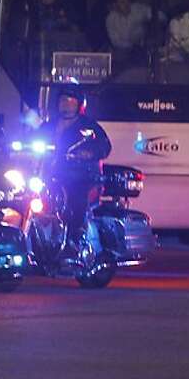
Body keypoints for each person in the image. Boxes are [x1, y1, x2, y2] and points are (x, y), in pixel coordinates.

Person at [37, 86, 112, 257]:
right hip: (51, 174)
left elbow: (104, 146)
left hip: (81, 175)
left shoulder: (88, 127)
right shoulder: (49, 125)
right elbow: (33, 139)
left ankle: (74, 239)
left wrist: (89, 153)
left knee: (75, 199)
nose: (66, 105)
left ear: (79, 105)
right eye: (63, 101)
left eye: (70, 102)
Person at [105, 0, 156, 64]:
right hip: (122, 52)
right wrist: (132, 46)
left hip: (142, 48)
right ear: (115, 5)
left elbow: (159, 16)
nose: (127, 4)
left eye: (128, 0)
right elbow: (116, 41)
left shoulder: (139, 9)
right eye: (122, 2)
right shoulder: (110, 19)